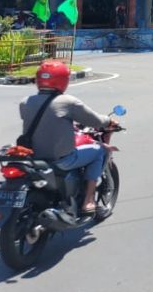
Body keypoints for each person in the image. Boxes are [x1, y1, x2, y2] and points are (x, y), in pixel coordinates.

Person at [19, 60, 117, 215]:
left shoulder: (25, 103)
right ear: (63, 80)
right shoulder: (68, 102)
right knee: (100, 151)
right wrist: (109, 121)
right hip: (61, 160)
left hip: (33, 159)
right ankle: (88, 201)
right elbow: (95, 121)